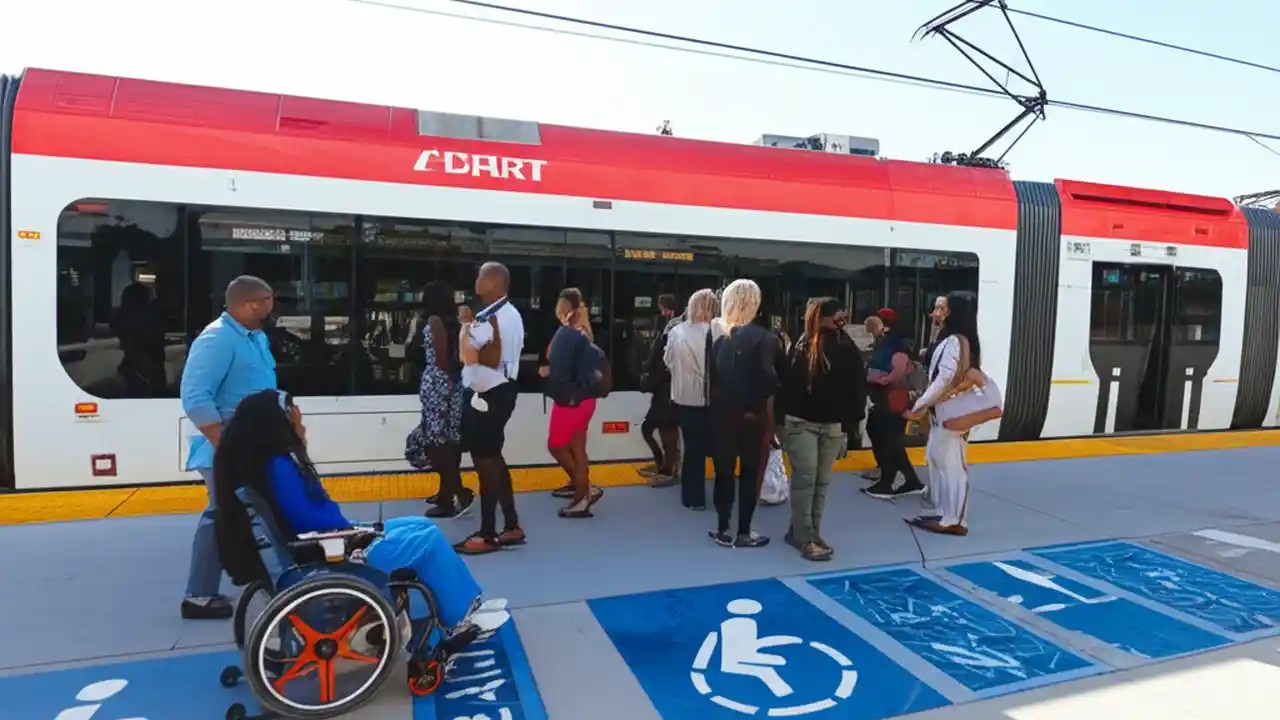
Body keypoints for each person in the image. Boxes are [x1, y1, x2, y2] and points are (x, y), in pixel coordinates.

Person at [212, 390, 505, 639]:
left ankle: (466, 603)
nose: (301, 425)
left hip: (326, 545)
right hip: (332, 556)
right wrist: (358, 534)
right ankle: (460, 619)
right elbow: (312, 521)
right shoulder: (281, 467)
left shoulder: (269, 465)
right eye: (295, 419)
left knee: (418, 524)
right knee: (427, 539)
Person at [177, 275, 278, 620]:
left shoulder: (255, 338)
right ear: (252, 303)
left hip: (253, 447)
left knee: (238, 513)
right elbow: (194, 398)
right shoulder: (217, 340)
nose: (272, 305)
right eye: (268, 299)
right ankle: (199, 596)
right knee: (223, 516)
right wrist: (227, 448)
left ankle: (214, 590)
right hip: (229, 449)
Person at [777, 298, 862, 560]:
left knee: (821, 481)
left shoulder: (847, 346)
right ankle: (805, 536)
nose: (843, 317)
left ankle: (808, 530)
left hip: (832, 425)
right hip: (802, 423)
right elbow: (787, 386)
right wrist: (779, 423)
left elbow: (857, 388)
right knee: (806, 480)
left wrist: (850, 427)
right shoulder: (803, 346)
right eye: (837, 313)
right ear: (822, 317)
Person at [455, 263, 526, 555]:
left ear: (493, 283)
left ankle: (487, 533)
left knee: (485, 460)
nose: (476, 282)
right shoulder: (507, 314)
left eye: (480, 277)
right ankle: (511, 525)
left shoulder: (494, 318)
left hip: (489, 394)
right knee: (493, 457)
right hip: (498, 392)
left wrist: (464, 328)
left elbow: (474, 356)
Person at [707, 279, 783, 548]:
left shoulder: (718, 342)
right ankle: (744, 532)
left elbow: (711, 383)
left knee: (724, 472)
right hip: (755, 417)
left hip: (722, 418)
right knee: (750, 474)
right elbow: (772, 379)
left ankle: (722, 528)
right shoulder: (767, 339)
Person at [903, 293, 981, 536]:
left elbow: (945, 378)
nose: (936, 313)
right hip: (946, 412)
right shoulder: (952, 339)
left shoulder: (956, 341)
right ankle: (946, 513)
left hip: (950, 412)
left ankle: (954, 519)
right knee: (938, 459)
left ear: (953, 312)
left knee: (950, 465)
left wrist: (920, 405)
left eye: (942, 309)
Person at [406, 281, 471, 520]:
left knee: (436, 443)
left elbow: (440, 358)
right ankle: (447, 495)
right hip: (454, 384)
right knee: (449, 442)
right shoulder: (454, 321)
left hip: (439, 384)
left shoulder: (435, 322)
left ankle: (458, 494)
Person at [543, 288, 607, 517]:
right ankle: (582, 489)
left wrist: (548, 370)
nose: (558, 311)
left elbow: (556, 357)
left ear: (573, 309)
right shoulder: (573, 330)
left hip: (573, 400)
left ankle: (584, 491)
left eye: (563, 308)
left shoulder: (577, 331)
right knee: (576, 447)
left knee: (557, 445)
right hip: (583, 399)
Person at [664, 289, 722, 511]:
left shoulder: (677, 332)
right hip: (715, 401)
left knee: (693, 450)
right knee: (720, 450)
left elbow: (668, 361)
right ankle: (722, 497)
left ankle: (693, 499)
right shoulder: (721, 332)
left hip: (686, 400)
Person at [863, 308, 926, 500]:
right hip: (883, 395)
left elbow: (899, 366)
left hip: (891, 396)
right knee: (880, 431)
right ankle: (908, 481)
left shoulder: (896, 344)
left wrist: (885, 380)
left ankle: (888, 483)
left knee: (889, 436)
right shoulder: (885, 342)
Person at [638, 294, 682, 487]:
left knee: (667, 433)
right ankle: (662, 463)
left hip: (667, 392)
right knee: (648, 428)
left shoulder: (673, 331)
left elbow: (664, 363)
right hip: (661, 392)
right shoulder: (665, 328)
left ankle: (668, 470)